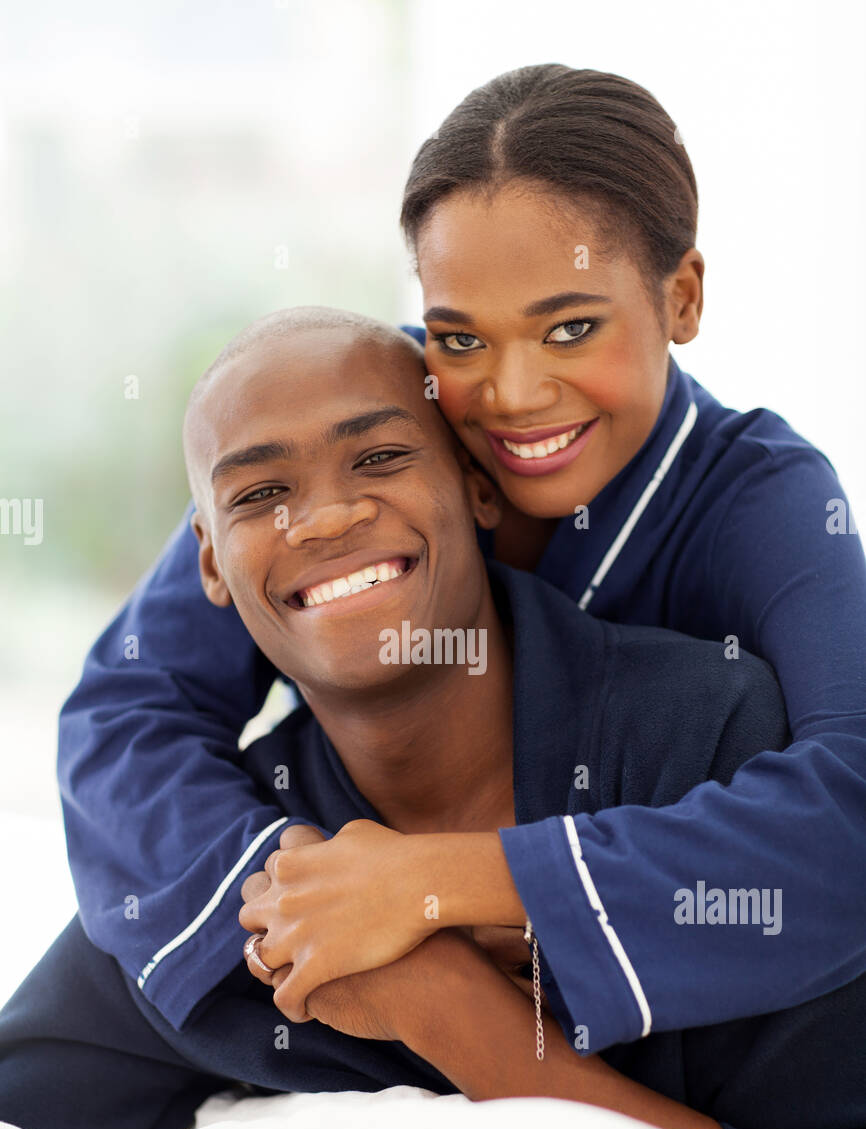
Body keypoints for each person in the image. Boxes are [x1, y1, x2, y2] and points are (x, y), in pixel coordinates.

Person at [56, 67, 866, 1055]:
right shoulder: (372, 429)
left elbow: (850, 810)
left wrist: (437, 881)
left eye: (570, 327)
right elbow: (125, 713)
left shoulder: (761, 500)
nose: (511, 392)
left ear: (680, 296)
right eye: (459, 334)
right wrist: (310, 890)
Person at [3, 308, 864, 1129]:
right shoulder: (197, 875)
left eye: (379, 458)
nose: (326, 518)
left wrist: (450, 1005)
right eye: (261, 494)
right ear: (211, 566)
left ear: (480, 484)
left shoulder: (719, 742)